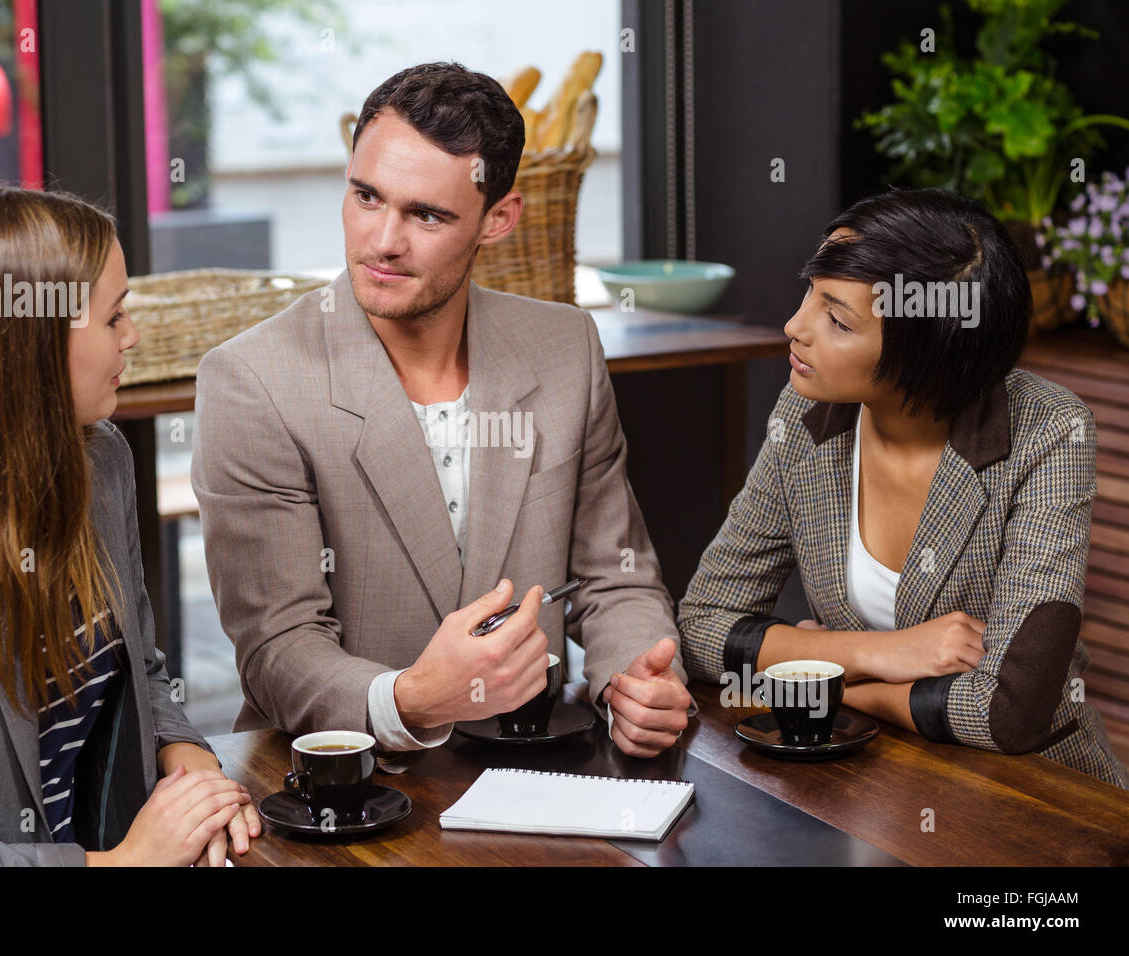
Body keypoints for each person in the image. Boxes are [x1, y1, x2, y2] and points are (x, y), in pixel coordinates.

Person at [192, 61, 694, 761]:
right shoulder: (252, 379)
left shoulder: (565, 346)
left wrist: (635, 677)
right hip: (345, 788)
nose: (383, 241)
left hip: (536, 767)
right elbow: (278, 649)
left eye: (426, 214)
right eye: (366, 196)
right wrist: (415, 699)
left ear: (499, 220)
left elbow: (614, 575)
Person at [0, 185, 264, 865]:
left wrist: (190, 767)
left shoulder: (102, 461)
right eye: (114, 316)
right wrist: (116, 866)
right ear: (27, 340)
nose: (134, 336)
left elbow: (141, 670)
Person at [678, 187, 1127, 788]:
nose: (794, 326)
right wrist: (879, 655)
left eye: (837, 320)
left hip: (1031, 796)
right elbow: (702, 628)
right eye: (811, 294)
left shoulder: (1049, 430)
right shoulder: (808, 417)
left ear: (928, 352)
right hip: (859, 778)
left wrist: (823, 672)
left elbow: (1011, 710)